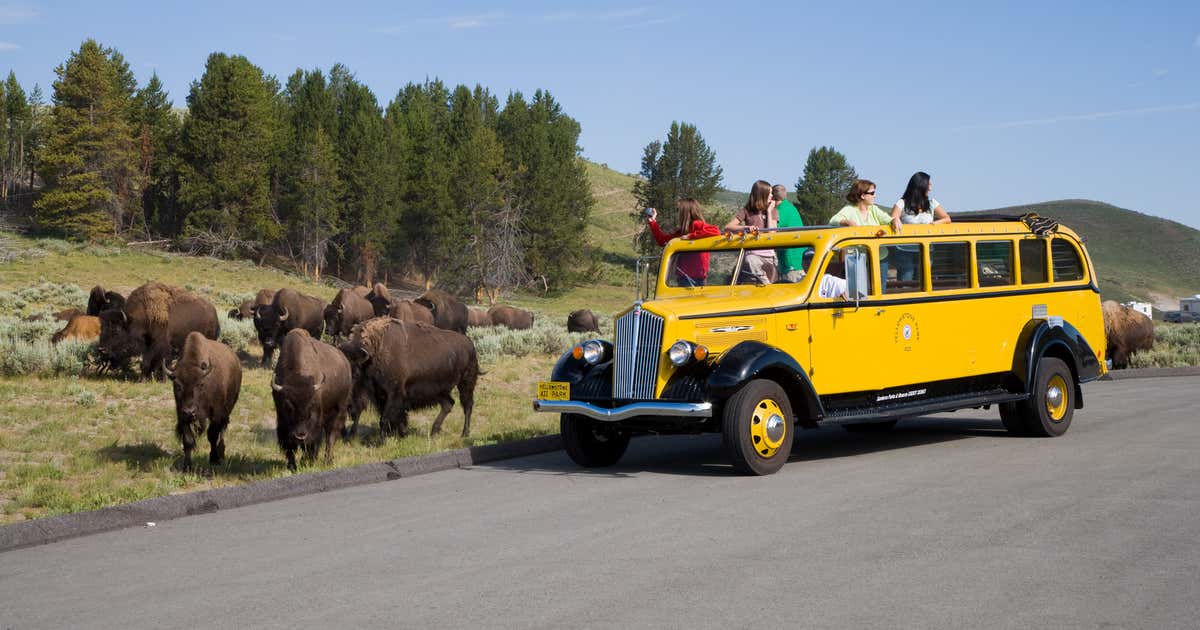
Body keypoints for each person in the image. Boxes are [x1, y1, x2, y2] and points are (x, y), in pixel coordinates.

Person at [889, 171, 951, 282]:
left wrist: (935, 224)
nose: (930, 188)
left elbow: (947, 218)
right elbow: (891, 219)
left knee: (924, 281)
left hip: (926, 249)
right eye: (929, 185)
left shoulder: (932, 203)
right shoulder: (902, 203)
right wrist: (895, 219)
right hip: (905, 250)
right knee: (906, 282)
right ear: (920, 185)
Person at [829, 179, 891, 288]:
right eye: (872, 193)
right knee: (858, 290)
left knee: (880, 289)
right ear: (862, 195)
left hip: (879, 257)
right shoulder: (849, 210)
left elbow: (888, 220)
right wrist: (845, 222)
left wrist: (895, 221)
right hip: (857, 259)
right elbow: (833, 221)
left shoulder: (874, 209)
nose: (875, 196)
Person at [646, 198, 721, 287]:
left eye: (678, 210)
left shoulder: (696, 224)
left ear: (685, 212)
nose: (677, 213)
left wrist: (690, 236)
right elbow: (662, 241)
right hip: (686, 278)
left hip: (696, 279)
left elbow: (716, 231)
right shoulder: (682, 231)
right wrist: (653, 221)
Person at [725, 180, 779, 284]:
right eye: (769, 193)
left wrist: (769, 212)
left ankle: (767, 286)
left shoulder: (773, 211)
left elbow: (772, 234)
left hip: (769, 256)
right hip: (753, 254)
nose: (772, 196)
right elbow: (728, 227)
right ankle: (766, 284)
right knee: (749, 260)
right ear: (762, 195)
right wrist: (746, 228)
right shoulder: (747, 210)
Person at [773, 184, 807, 282]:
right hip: (796, 261)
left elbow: (771, 232)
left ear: (772, 198)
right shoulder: (790, 208)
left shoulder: (780, 210)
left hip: (791, 263)